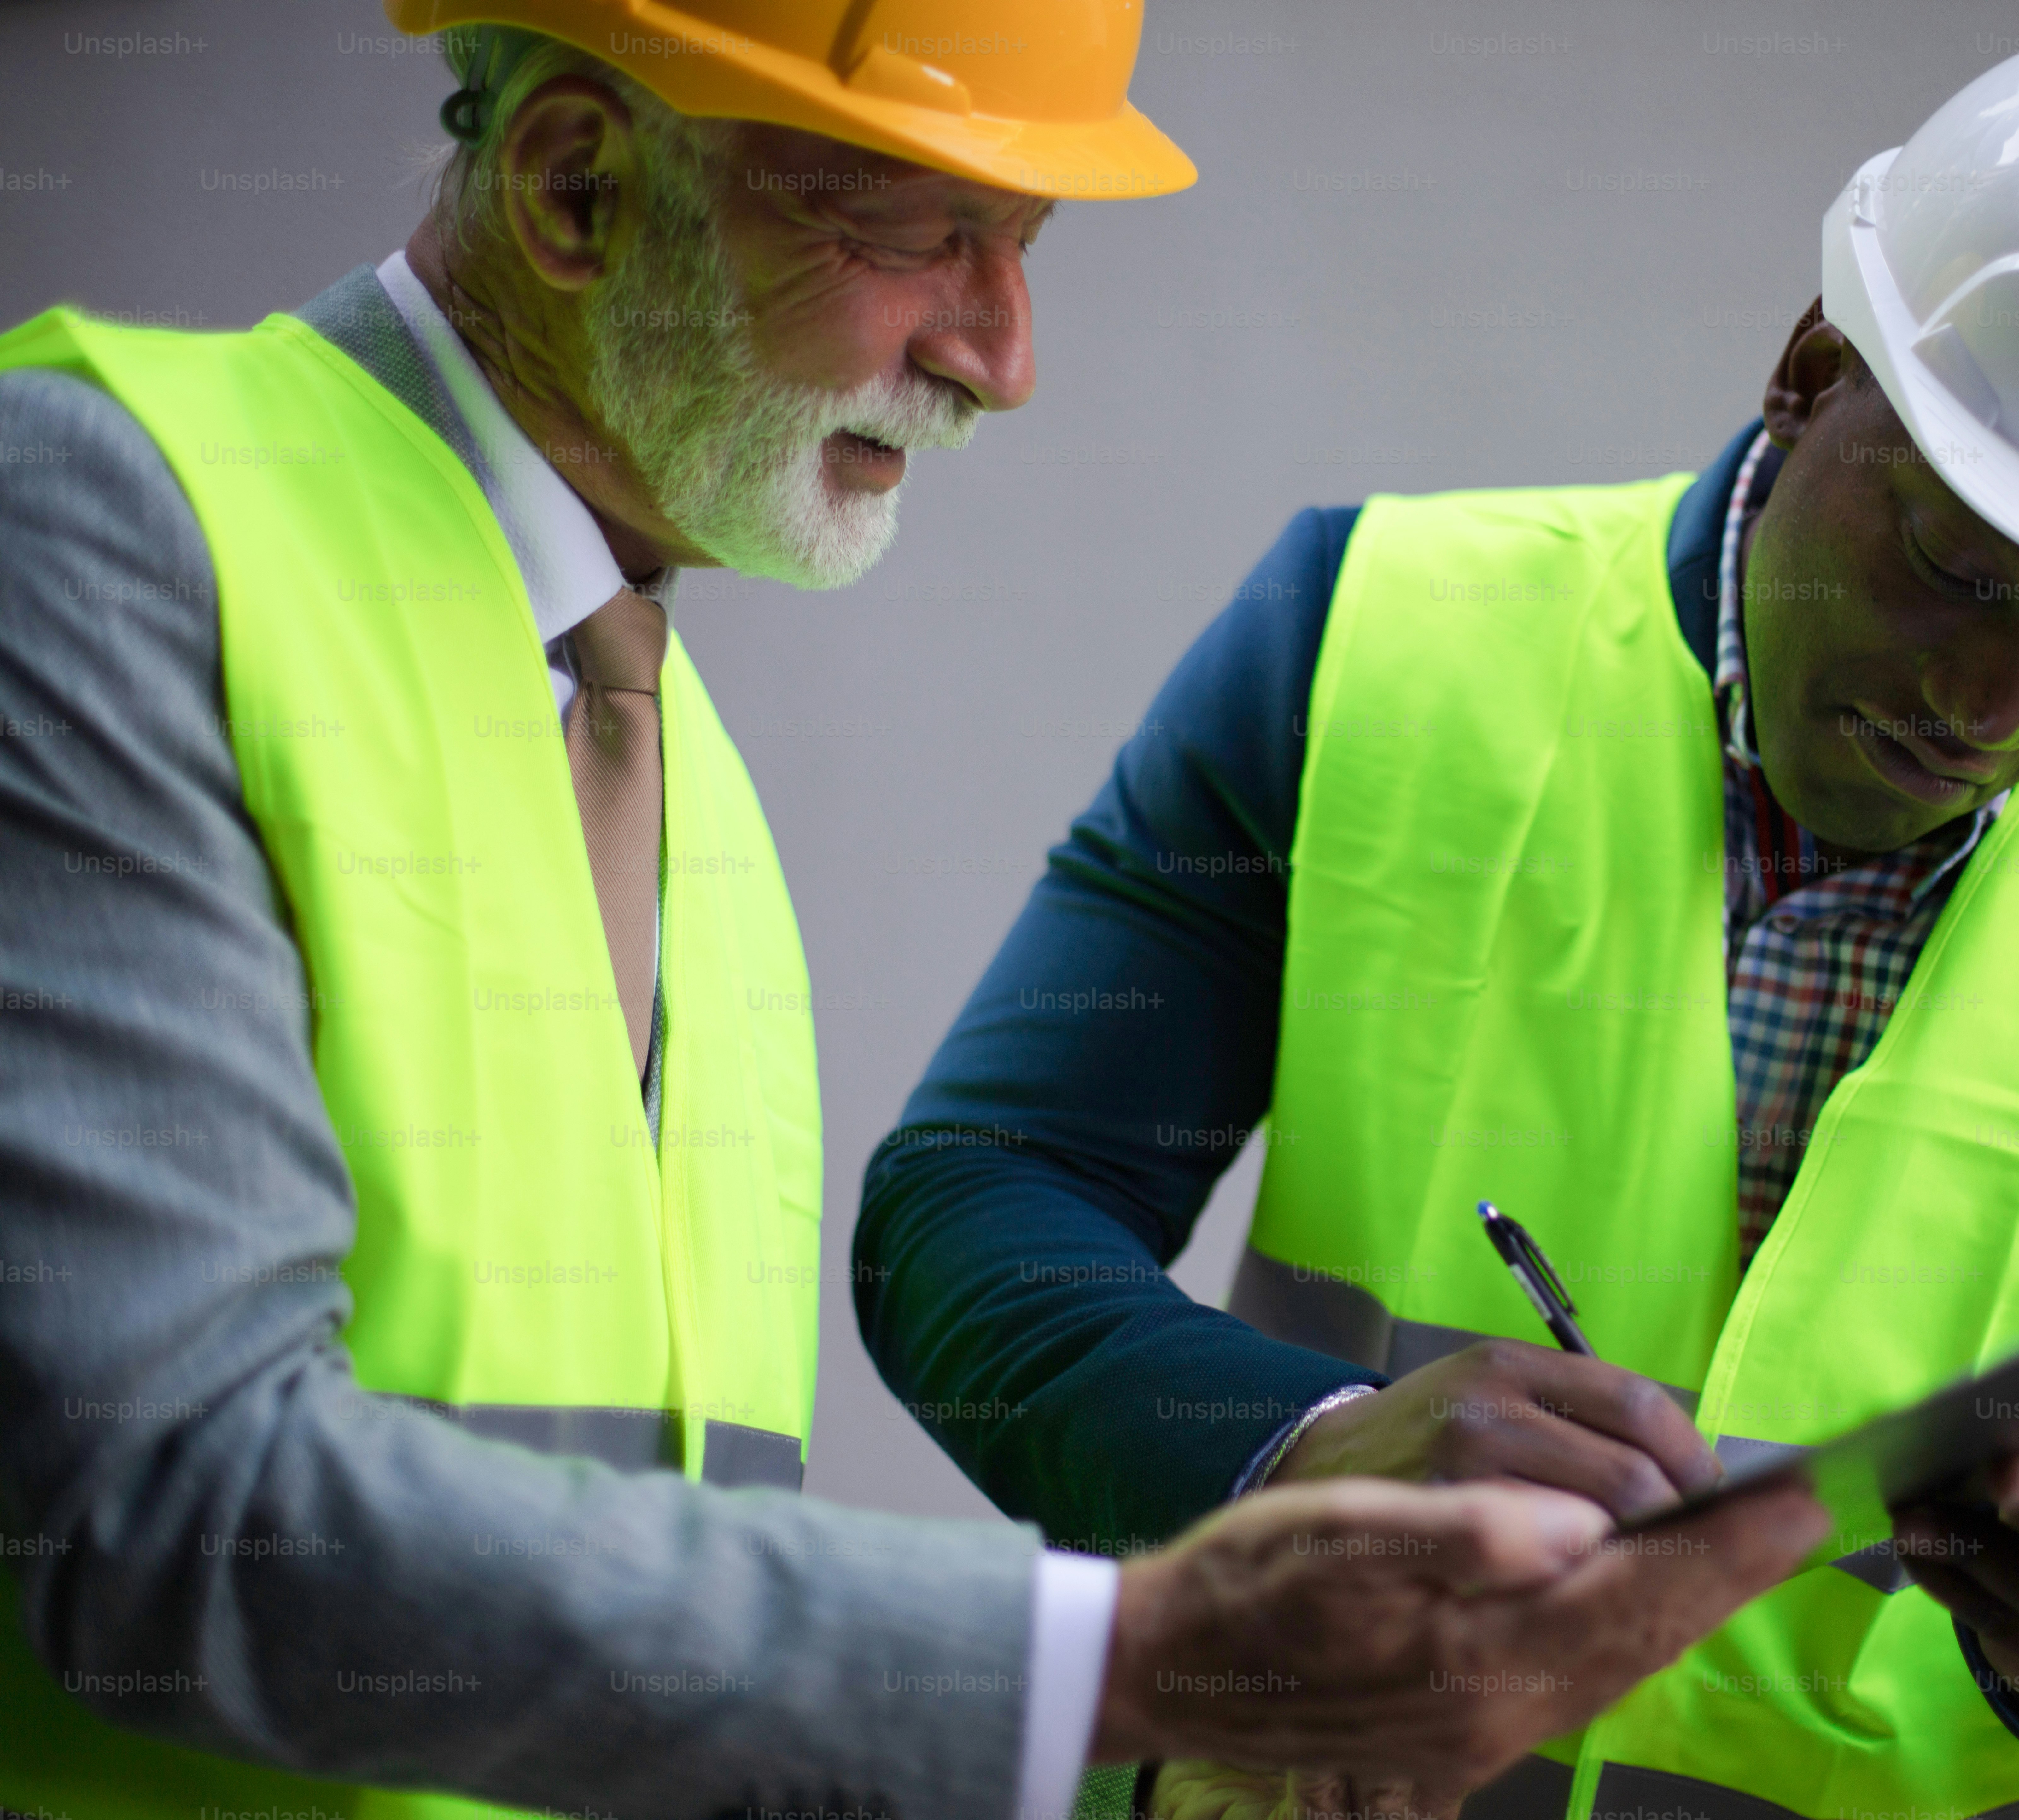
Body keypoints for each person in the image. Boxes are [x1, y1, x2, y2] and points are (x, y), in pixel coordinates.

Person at [0, 5, 1830, 1817]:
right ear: (576, 185)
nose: (1001, 358)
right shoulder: (108, 521)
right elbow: (162, 1504)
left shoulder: (651, 734)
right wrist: (1130, 1661)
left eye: (1021, 251)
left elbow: (642, 1593)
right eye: (930, 233)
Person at [862, 18, 2019, 1818]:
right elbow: (974, 1203)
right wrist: (1302, 1450)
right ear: (1808, 366)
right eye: (1955, 569)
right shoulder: (1372, 640)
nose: (1989, 705)